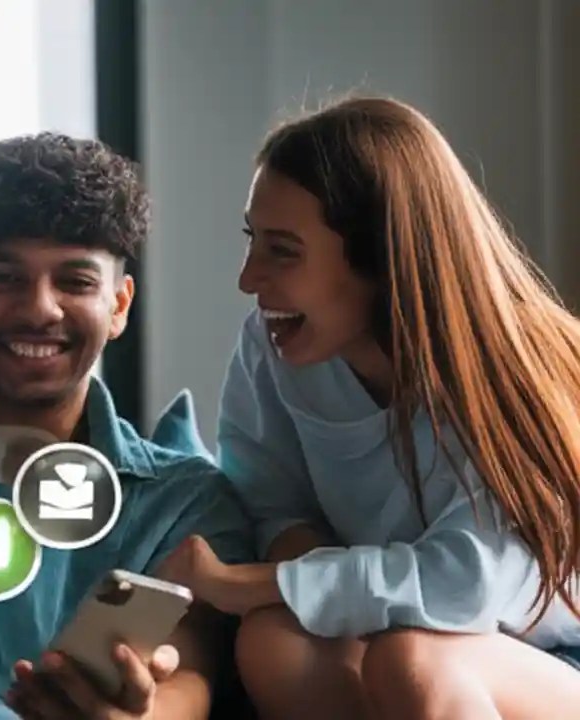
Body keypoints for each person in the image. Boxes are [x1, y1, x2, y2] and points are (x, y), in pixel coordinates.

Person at [159, 96, 580, 719]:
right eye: (254, 241)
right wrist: (300, 583)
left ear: (382, 259)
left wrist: (247, 584)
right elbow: (272, 503)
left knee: (412, 661)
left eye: (283, 250)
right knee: (275, 643)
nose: (249, 278)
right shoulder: (273, 345)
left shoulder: (515, 365)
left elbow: (471, 584)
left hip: (550, 652)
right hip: (398, 634)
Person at [0, 132, 256, 719]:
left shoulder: (181, 501)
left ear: (119, 307)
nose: (41, 308)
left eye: (76, 282)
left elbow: (188, 678)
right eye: (6, 279)